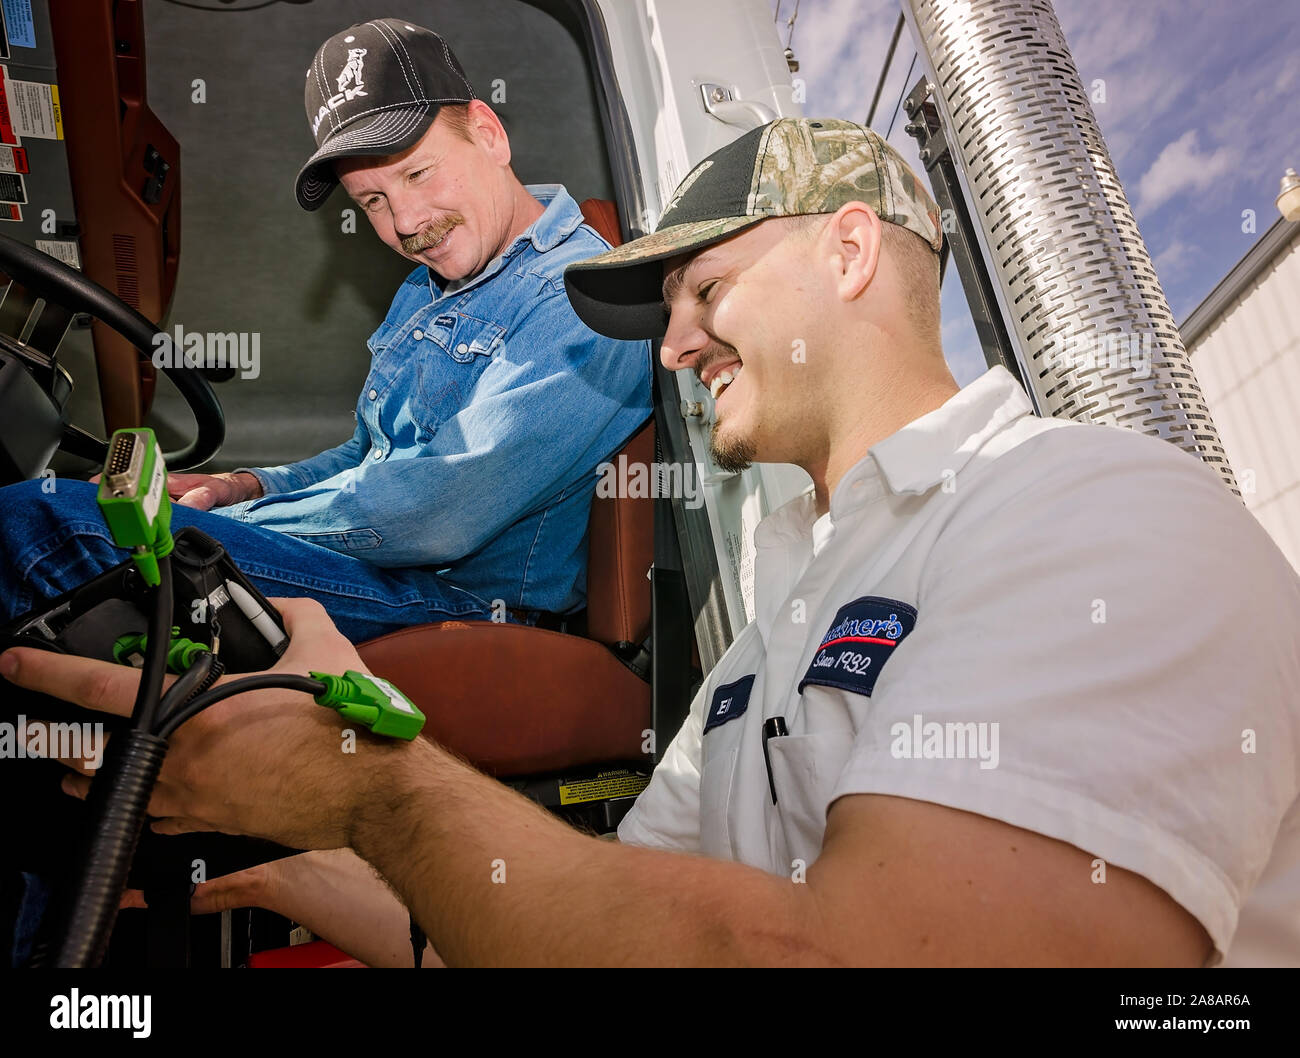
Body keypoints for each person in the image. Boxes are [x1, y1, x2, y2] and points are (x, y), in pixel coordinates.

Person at [8, 118, 1299, 967]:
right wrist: (283, 862)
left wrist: (368, 782)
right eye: (671, 305)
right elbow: (584, 919)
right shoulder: (776, 630)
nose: (673, 344)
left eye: (707, 290)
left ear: (852, 251)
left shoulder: (1092, 513)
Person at [0, 18, 651, 644]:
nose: (405, 222)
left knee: (44, 524)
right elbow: (369, 457)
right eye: (371, 201)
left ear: (488, 134)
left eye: (417, 172)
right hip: (395, 571)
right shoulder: (438, 284)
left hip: (469, 608)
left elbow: (430, 514)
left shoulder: (579, 299)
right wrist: (249, 486)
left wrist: (215, 522)